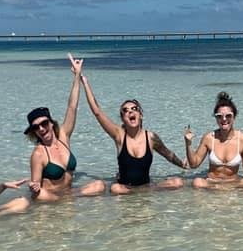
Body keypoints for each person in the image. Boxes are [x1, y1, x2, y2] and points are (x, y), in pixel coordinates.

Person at [79, 65, 187, 194]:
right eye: (125, 110)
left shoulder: (151, 137)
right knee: (115, 188)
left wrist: (182, 164)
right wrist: (85, 83)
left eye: (134, 109)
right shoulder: (119, 136)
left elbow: (167, 154)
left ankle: (141, 194)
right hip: (124, 188)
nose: (130, 111)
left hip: (146, 186)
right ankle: (137, 195)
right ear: (123, 118)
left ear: (140, 115)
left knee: (177, 182)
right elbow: (97, 112)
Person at [25, 54, 106, 202]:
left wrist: (77, 75)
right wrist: (33, 186)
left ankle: (70, 199)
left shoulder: (63, 136)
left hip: (70, 193)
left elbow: (72, 107)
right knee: (40, 195)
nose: (41, 129)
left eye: (44, 124)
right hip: (52, 197)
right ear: (34, 131)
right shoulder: (38, 154)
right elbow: (35, 184)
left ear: (51, 123)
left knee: (100, 185)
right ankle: (66, 201)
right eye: (36, 127)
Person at [184, 91, 243, 188]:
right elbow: (194, 164)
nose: (224, 119)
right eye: (219, 116)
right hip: (212, 183)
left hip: (233, 183)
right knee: (197, 182)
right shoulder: (209, 137)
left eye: (228, 115)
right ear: (216, 118)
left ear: (234, 117)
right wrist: (188, 144)